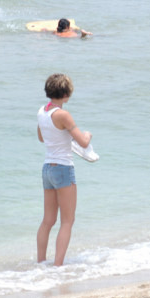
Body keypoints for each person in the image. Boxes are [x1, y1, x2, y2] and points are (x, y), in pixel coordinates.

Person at [36, 73, 91, 266]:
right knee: (67, 221)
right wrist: (88, 134)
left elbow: (42, 138)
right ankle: (58, 265)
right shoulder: (63, 115)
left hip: (47, 169)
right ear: (66, 94)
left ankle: (41, 262)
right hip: (63, 169)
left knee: (47, 221)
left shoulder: (42, 111)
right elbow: (83, 142)